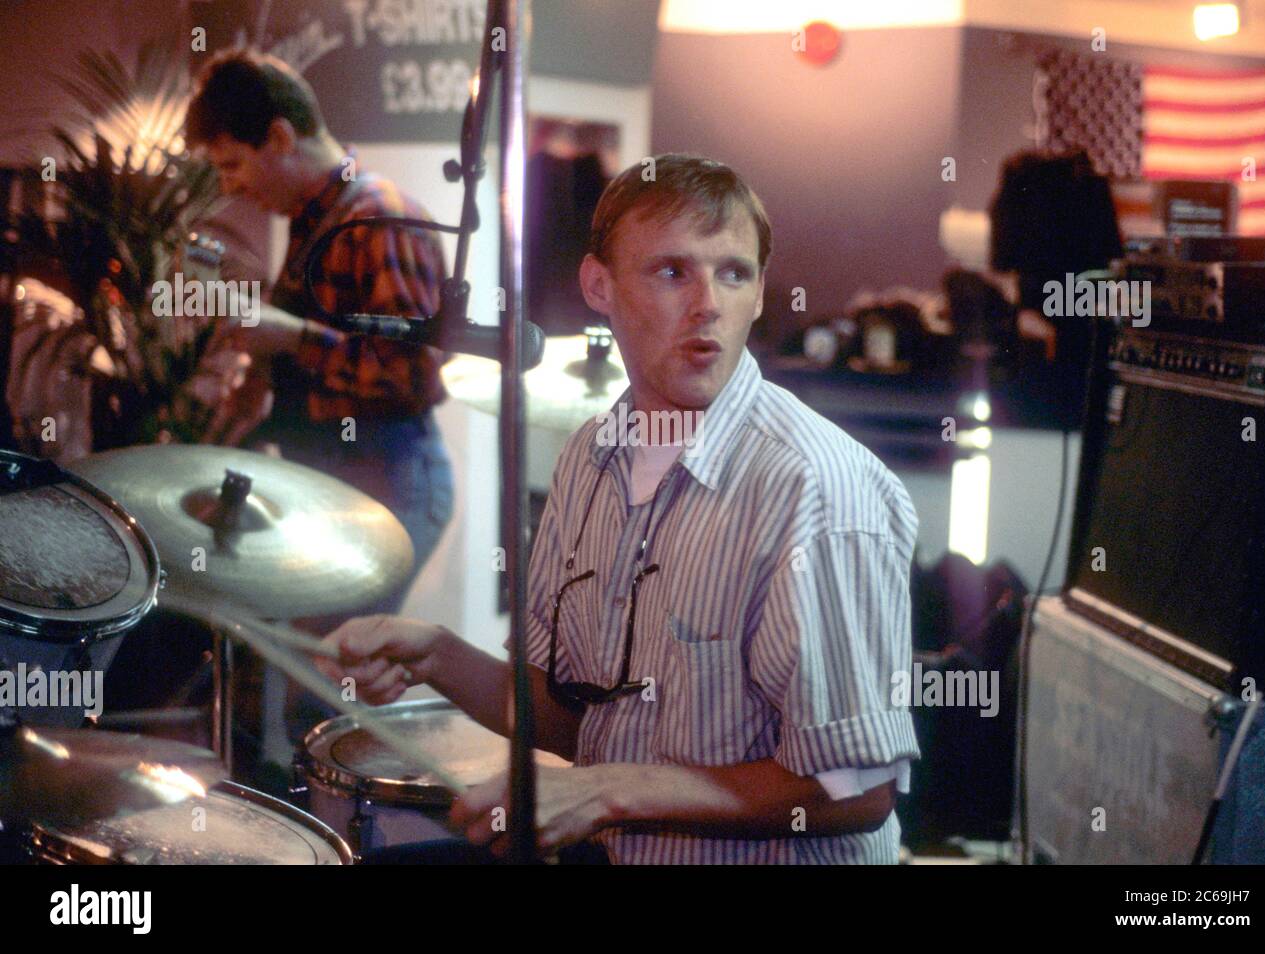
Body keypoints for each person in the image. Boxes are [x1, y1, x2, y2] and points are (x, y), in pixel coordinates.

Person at [321, 155, 920, 864]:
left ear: (761, 292)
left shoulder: (817, 489)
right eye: (672, 272)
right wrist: (437, 655)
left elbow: (856, 789)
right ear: (598, 286)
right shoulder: (588, 459)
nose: (708, 304)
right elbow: (580, 724)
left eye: (734, 272)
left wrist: (605, 794)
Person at [183, 49, 454, 613]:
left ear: (279, 138)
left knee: (324, 670)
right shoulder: (315, 218)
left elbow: (414, 370)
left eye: (232, 164)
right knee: (307, 669)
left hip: (388, 478)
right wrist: (261, 370)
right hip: (343, 473)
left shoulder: (380, 216)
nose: (230, 188)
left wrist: (288, 337)